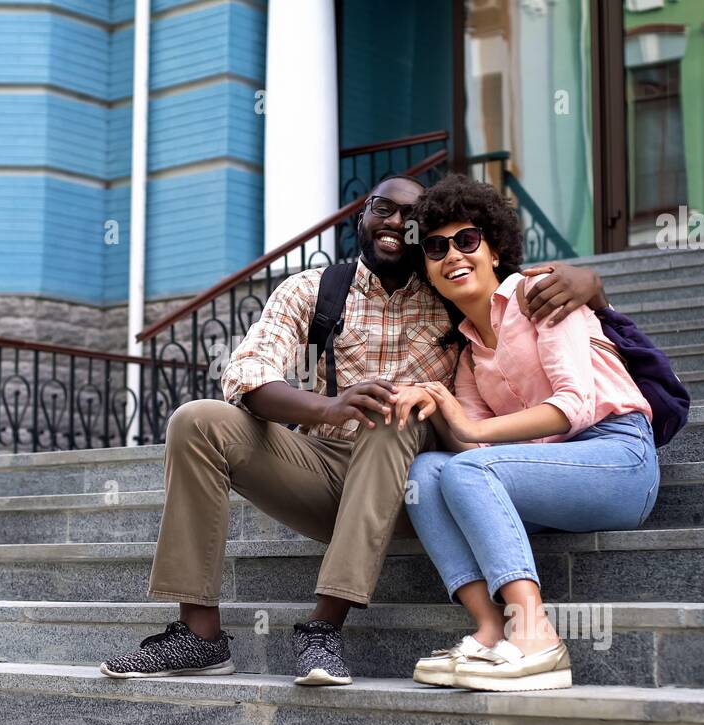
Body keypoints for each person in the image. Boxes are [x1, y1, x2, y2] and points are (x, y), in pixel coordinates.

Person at [101, 174, 608, 686]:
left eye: (411, 217)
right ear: (360, 218)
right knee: (196, 420)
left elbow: (515, 293)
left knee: (395, 413)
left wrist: (595, 286)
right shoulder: (313, 289)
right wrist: (330, 408)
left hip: (411, 491)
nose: (394, 222)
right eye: (381, 207)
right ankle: (200, 635)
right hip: (319, 472)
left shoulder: (449, 290)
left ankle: (323, 628)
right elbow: (247, 373)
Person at [392, 174, 659, 692]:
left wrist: (465, 421)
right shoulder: (469, 356)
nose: (453, 255)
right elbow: (474, 451)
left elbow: (574, 405)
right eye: (436, 247)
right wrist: (443, 409)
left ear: (494, 250)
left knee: (466, 467)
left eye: (467, 239)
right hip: (547, 474)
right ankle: (491, 630)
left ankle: (537, 640)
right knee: (427, 471)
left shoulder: (541, 297)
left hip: (618, 458)